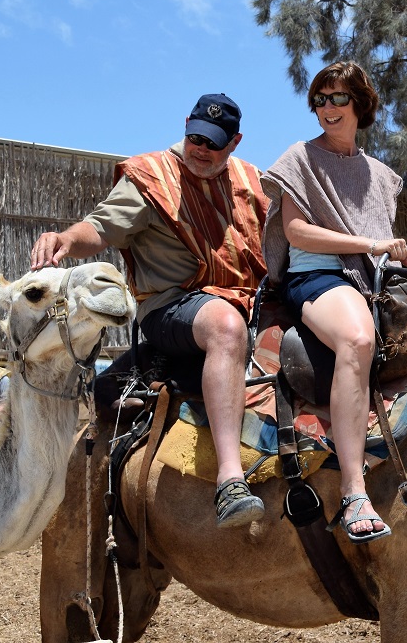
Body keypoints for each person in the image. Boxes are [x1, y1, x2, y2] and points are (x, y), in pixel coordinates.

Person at [261, 61, 407, 544]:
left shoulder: (383, 177)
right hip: (317, 276)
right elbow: (296, 232)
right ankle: (353, 490)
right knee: (358, 337)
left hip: (373, 280)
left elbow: (383, 243)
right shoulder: (299, 159)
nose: (327, 108)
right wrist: (369, 245)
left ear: (359, 104)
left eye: (338, 98)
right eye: (320, 99)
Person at [30, 94, 269, 529]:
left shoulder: (252, 182)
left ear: (234, 142)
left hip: (250, 299)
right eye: (194, 136)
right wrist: (67, 238)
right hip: (172, 308)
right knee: (226, 328)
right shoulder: (150, 179)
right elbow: (100, 228)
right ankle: (231, 481)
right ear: (185, 125)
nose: (200, 148)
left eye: (212, 143)